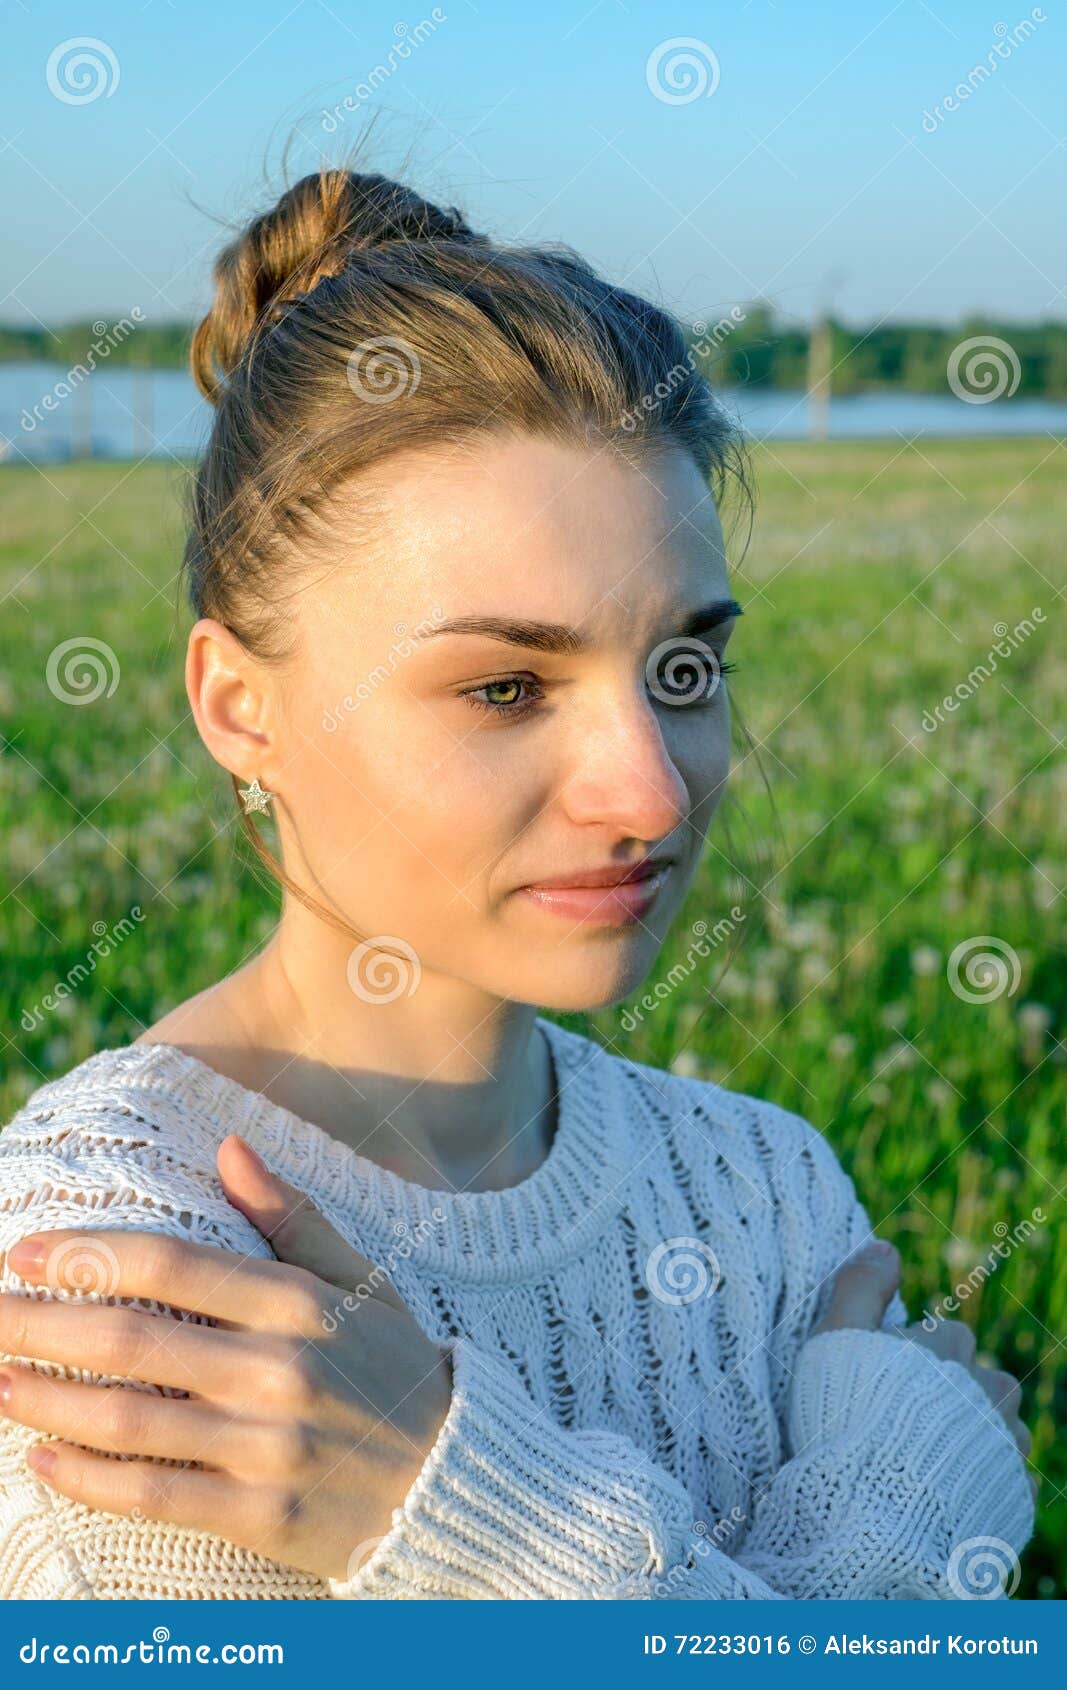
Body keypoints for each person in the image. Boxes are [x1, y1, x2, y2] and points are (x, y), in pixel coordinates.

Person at [0, 164, 1035, 1600]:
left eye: (685, 670)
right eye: (504, 685)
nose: (654, 792)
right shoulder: (115, 1270)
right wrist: (895, 1531)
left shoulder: (771, 1192)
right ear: (240, 706)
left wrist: (437, 1507)